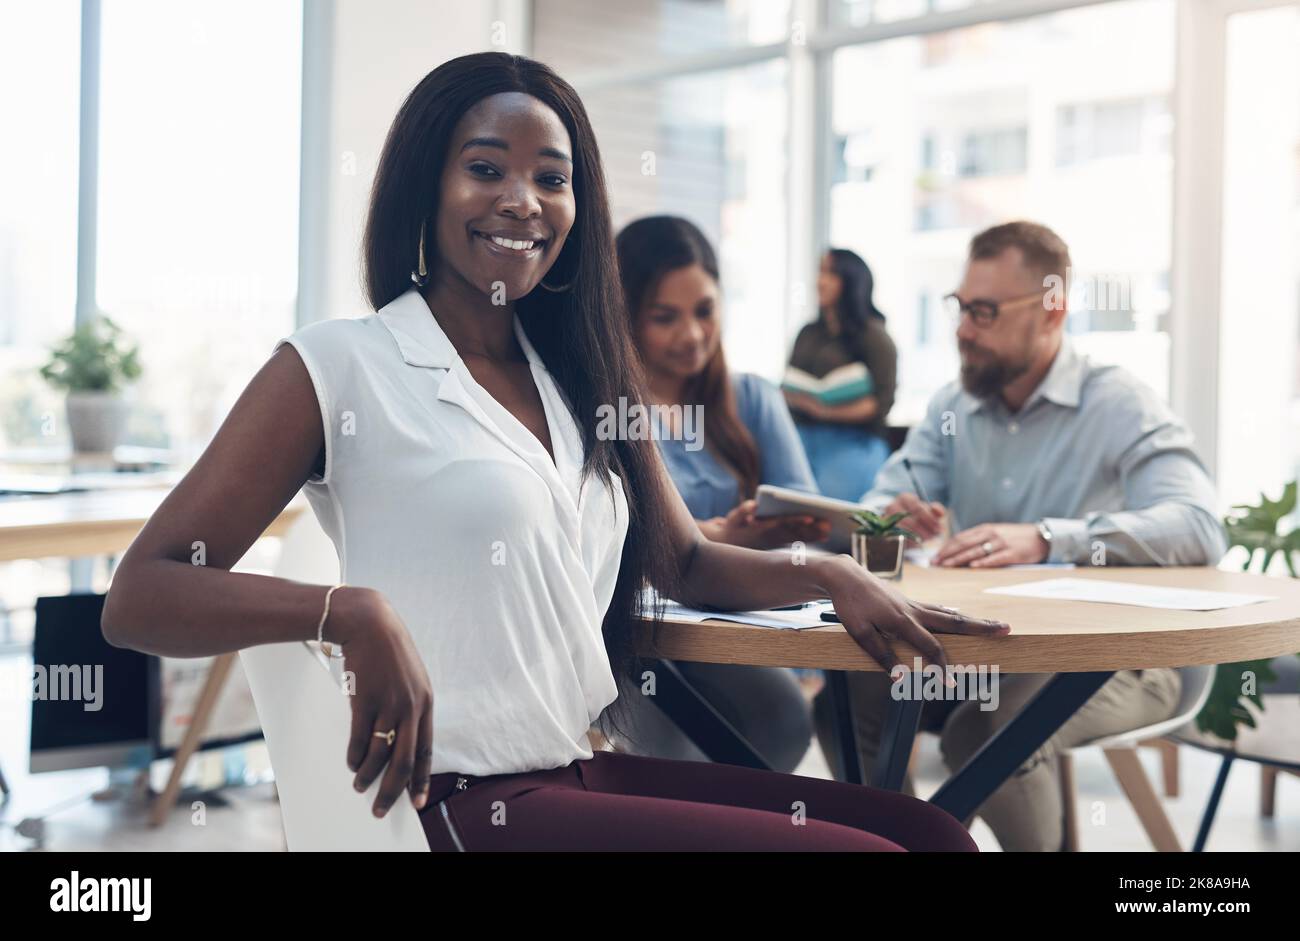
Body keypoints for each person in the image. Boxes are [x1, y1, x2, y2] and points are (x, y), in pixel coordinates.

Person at [101, 52, 1008, 852]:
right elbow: (142, 594)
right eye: (485, 169)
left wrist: (832, 575)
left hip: (575, 770)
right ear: (427, 186)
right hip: (453, 800)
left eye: (552, 177)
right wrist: (348, 610)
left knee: (929, 832)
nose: (522, 202)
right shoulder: (342, 365)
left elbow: (683, 558)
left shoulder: (581, 376)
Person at [818, 220, 1227, 852]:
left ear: (1053, 310)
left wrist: (1046, 538)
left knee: (985, 733)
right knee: (844, 706)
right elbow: (877, 503)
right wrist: (889, 516)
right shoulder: (953, 407)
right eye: (960, 307)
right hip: (985, 652)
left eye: (984, 312)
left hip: (1117, 659)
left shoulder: (1118, 403)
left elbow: (1199, 525)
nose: (961, 329)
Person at [611, 214, 826, 772]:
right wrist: (715, 536)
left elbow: (808, 517)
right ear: (625, 314)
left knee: (783, 723)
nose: (692, 335)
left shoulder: (752, 398)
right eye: (665, 317)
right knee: (663, 753)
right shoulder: (608, 411)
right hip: (642, 635)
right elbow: (612, 541)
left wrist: (769, 532)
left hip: (744, 625)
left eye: (705, 310)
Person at [785, 249, 898, 500]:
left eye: (830, 274)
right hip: (802, 435)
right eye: (819, 272)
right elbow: (788, 382)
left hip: (855, 442)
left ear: (851, 281)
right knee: (781, 496)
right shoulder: (808, 333)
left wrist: (823, 410)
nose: (819, 281)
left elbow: (881, 403)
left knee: (830, 509)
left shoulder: (875, 337)